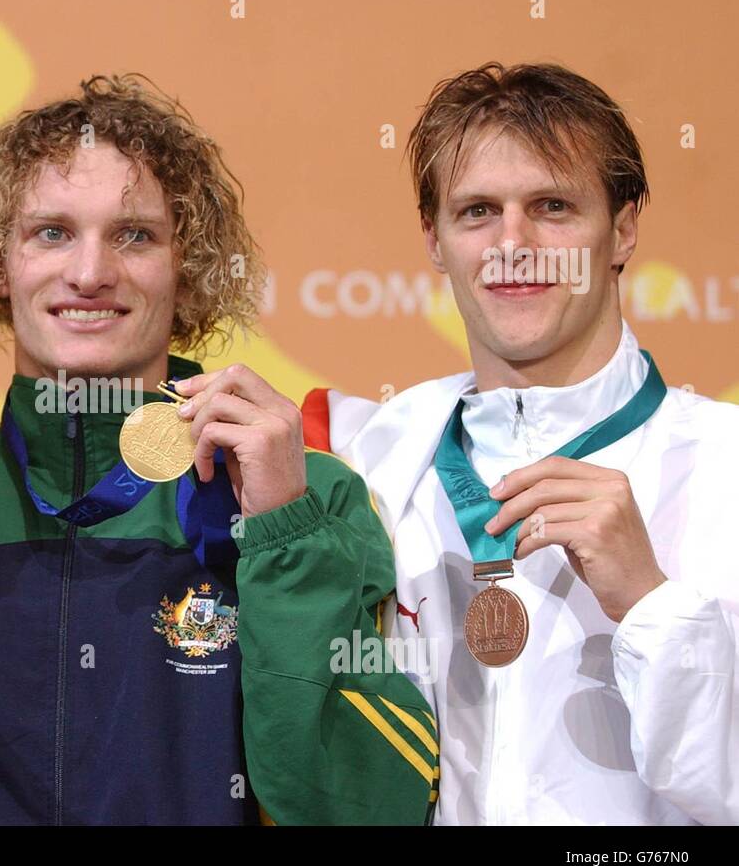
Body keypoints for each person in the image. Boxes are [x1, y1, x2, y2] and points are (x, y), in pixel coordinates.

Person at [0, 75, 437, 825]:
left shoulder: (300, 495)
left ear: (185, 270)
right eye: (51, 232)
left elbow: (368, 811)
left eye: (133, 235)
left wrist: (286, 535)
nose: (91, 273)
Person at [301, 62, 738, 824]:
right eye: (477, 212)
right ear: (434, 240)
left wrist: (648, 601)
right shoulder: (368, 463)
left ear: (623, 228)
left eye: (552, 206)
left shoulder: (726, 465)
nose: (514, 243)